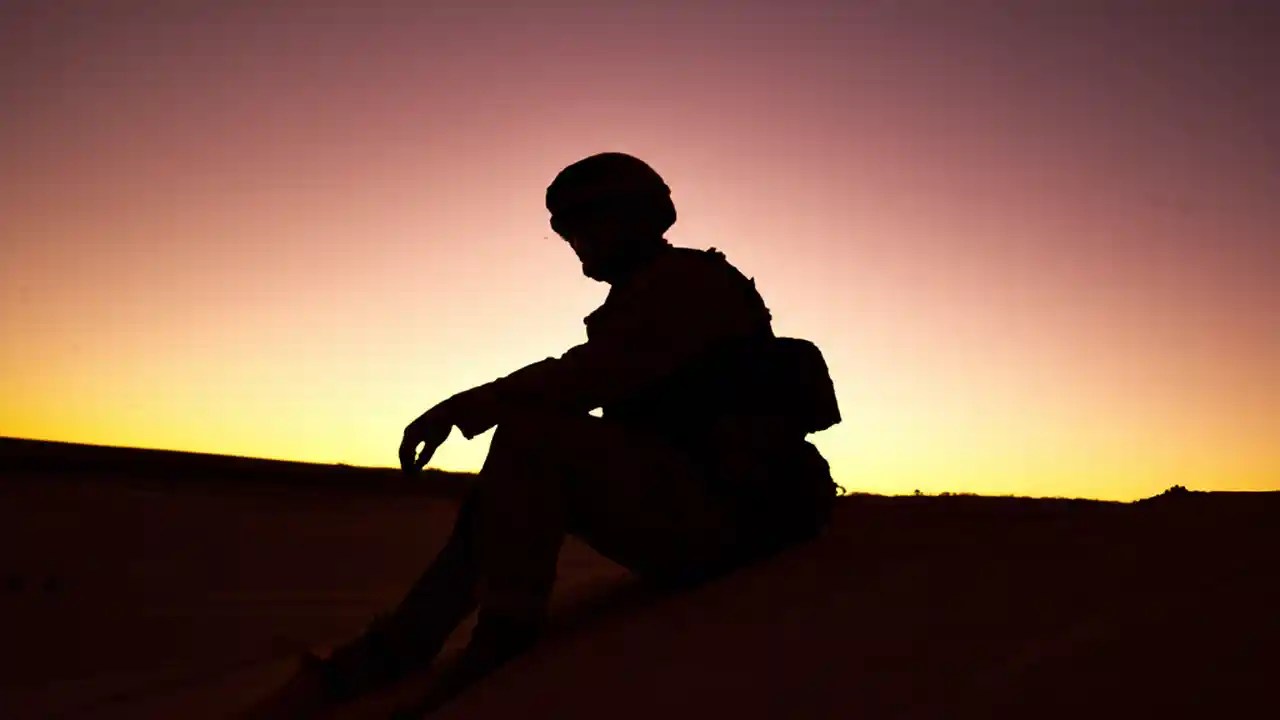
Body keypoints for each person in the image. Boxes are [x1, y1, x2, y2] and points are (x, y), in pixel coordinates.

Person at [298, 152, 840, 715]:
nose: (575, 241)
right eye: (567, 228)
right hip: (706, 507)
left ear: (632, 218)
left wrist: (464, 408)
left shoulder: (689, 284)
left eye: (585, 223)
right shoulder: (648, 294)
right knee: (506, 490)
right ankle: (407, 642)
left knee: (532, 439)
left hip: (736, 519)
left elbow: (587, 375)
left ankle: (503, 639)